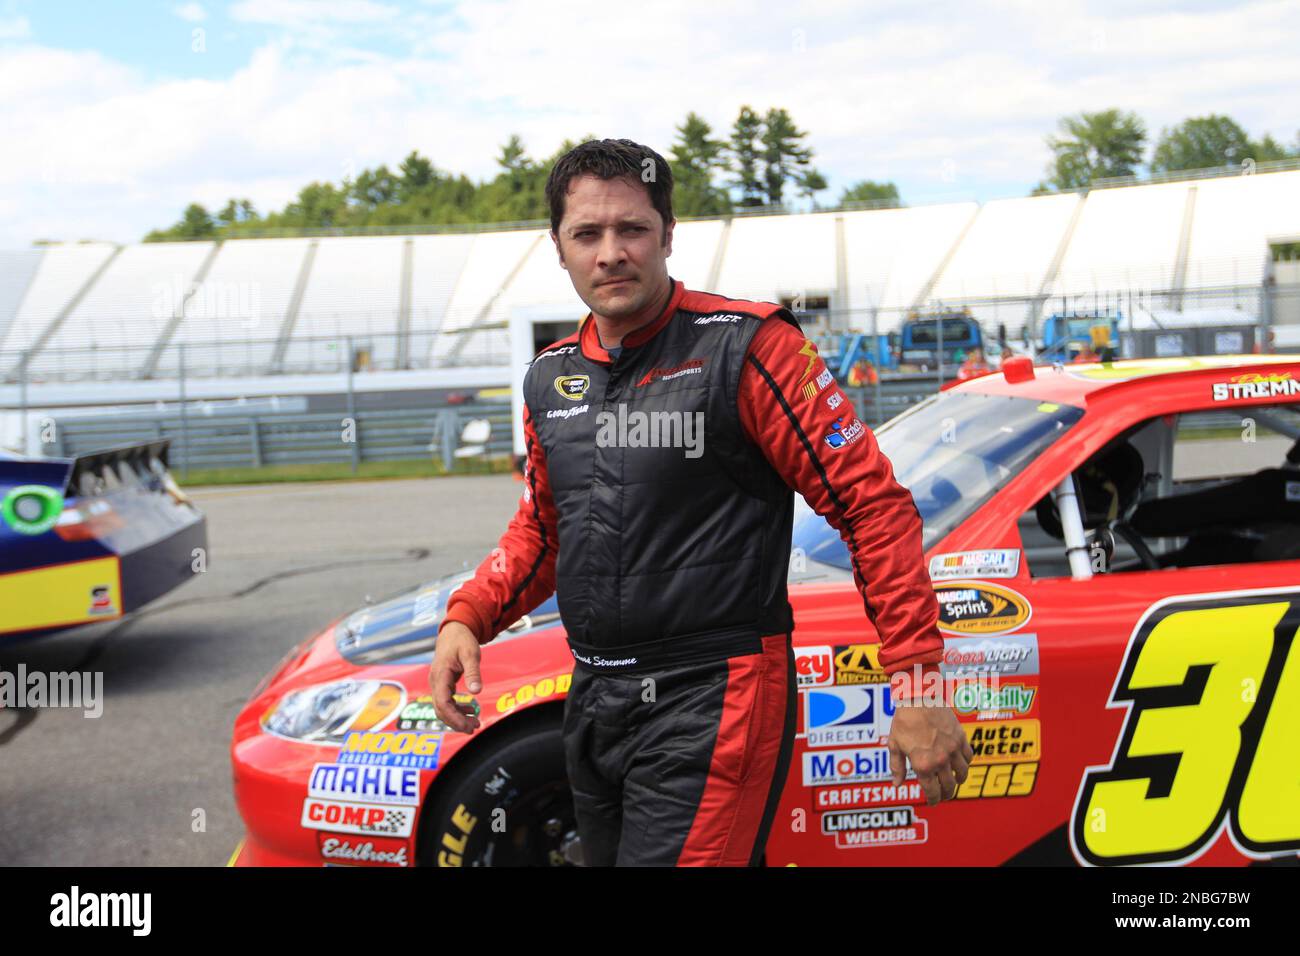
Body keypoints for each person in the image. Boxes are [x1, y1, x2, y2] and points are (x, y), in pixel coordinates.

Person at [429, 138, 970, 867]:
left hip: (716, 695)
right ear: (558, 248)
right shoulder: (549, 379)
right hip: (594, 696)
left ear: (669, 235)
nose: (611, 252)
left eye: (633, 229)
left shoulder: (751, 348)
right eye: (587, 234)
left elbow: (872, 507)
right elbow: (545, 530)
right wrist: (471, 614)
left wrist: (917, 679)